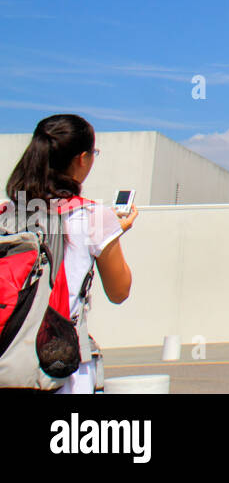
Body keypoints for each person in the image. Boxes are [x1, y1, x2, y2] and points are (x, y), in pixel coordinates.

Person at [3, 114, 137, 393]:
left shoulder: (6, 214)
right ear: (82, 158)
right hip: (58, 365)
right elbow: (119, 291)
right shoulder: (95, 217)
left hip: (7, 355)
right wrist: (113, 234)